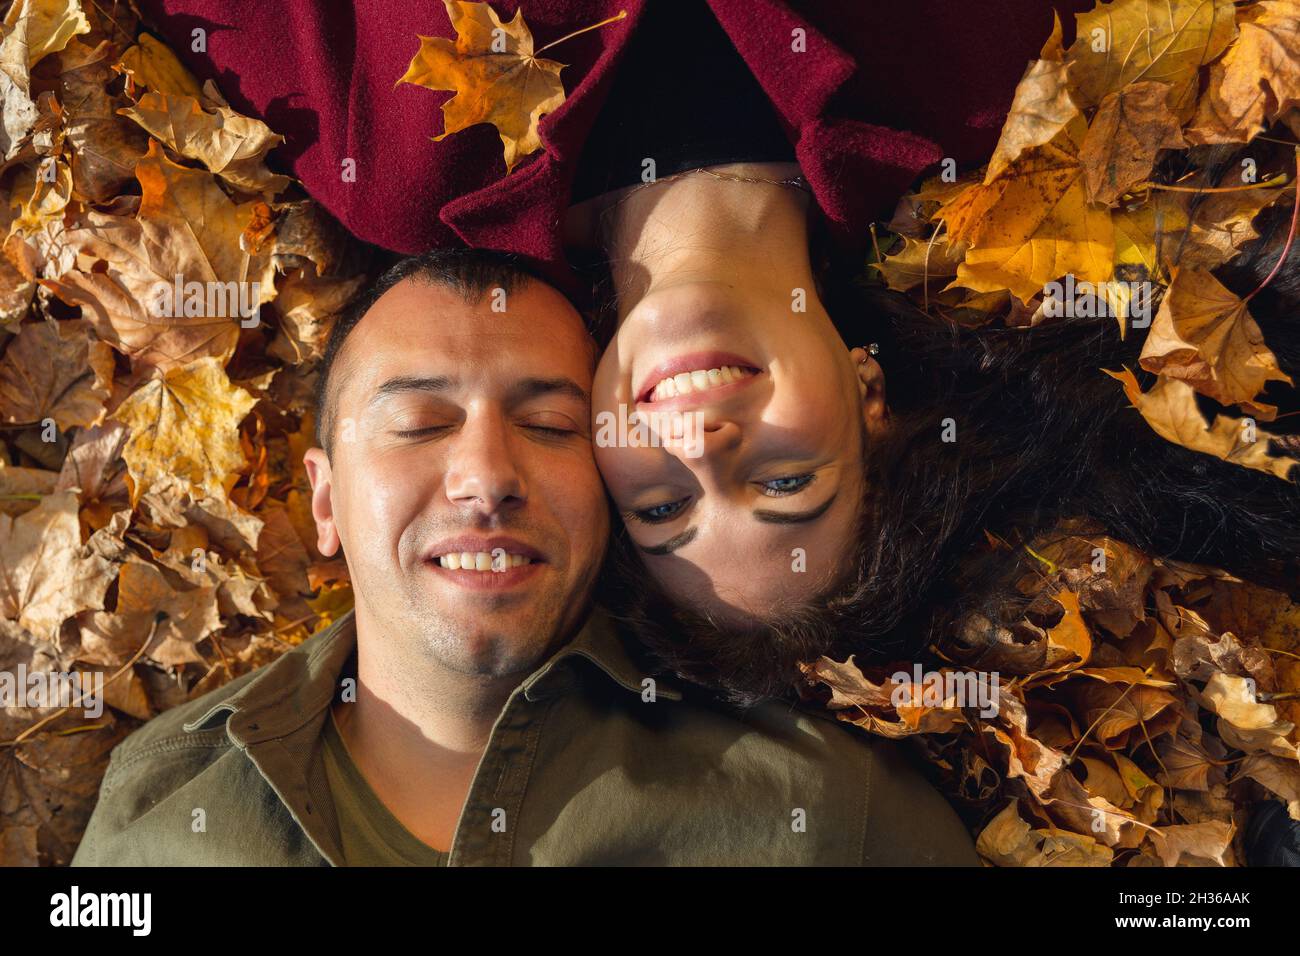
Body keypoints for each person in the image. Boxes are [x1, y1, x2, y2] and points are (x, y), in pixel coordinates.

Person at [72, 248, 980, 866]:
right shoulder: (162, 796)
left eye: (550, 426)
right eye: (419, 424)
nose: (485, 476)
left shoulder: (823, 810)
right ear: (324, 500)